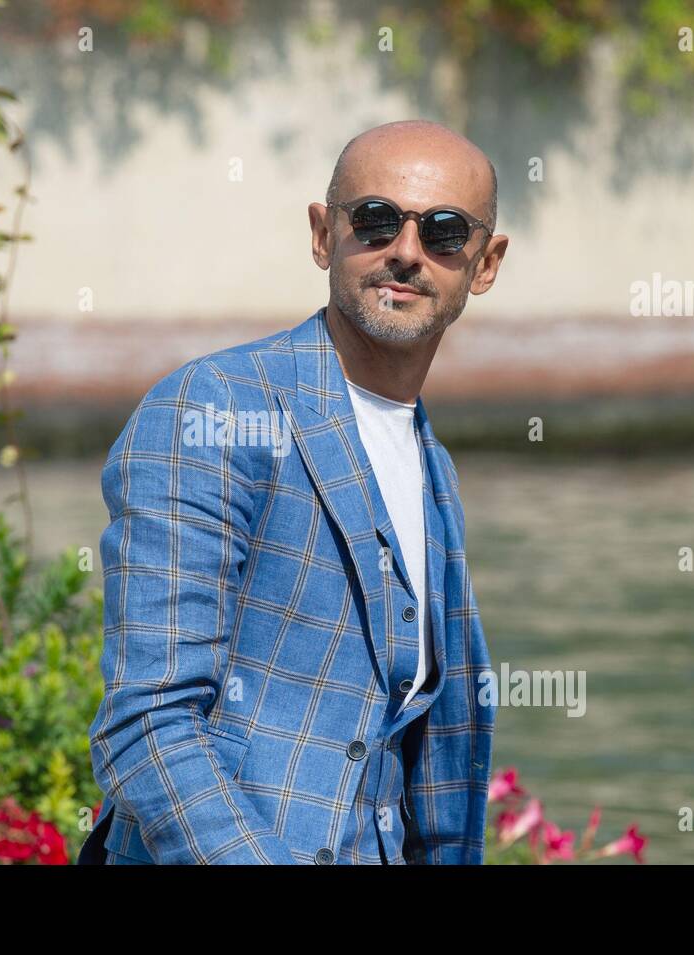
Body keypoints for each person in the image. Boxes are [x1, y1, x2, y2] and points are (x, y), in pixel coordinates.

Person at [78, 120, 509, 864]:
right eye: (374, 221)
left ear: (485, 262)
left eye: (444, 232)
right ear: (322, 234)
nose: (405, 252)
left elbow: (428, 766)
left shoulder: (431, 462)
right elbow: (150, 725)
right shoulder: (214, 409)